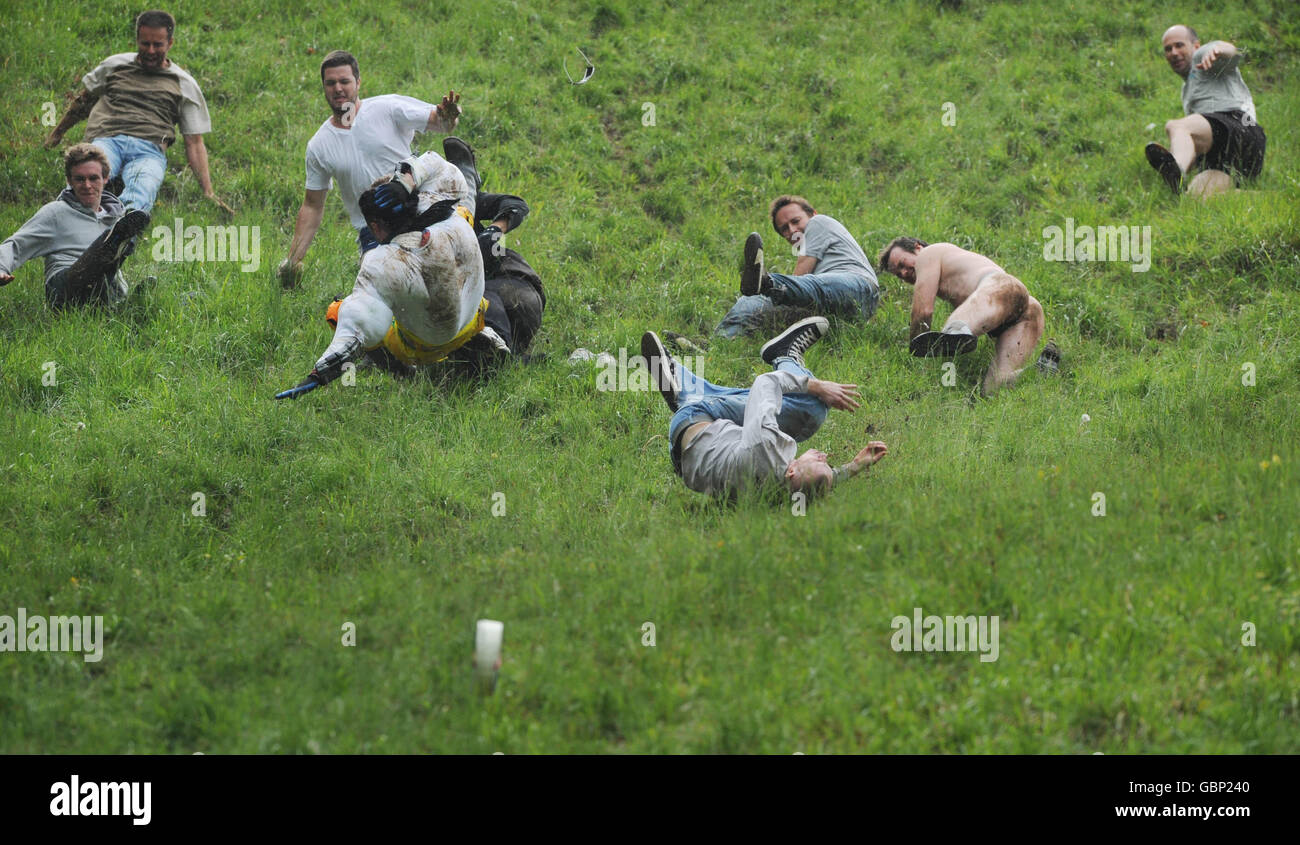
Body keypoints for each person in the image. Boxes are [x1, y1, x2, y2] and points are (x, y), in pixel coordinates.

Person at [275, 149, 504, 398]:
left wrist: (317, 375)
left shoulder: (384, 264)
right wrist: (404, 181)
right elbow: (435, 163)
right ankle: (486, 333)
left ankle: (404, 372)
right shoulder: (443, 201)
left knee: (338, 311)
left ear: (375, 225)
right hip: (475, 312)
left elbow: (357, 328)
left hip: (431, 343)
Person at [644, 317, 889, 497]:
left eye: (820, 462)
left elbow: (766, 383)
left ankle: (785, 356)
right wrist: (854, 467)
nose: (826, 457)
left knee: (812, 404)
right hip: (684, 460)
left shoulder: (766, 445)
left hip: (700, 418)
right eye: (828, 464)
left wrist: (817, 386)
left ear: (792, 470)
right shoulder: (777, 496)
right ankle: (682, 382)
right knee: (736, 412)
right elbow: (808, 492)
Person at [277, 50, 462, 285]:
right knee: (383, 292)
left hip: (419, 208)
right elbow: (312, 206)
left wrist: (449, 116)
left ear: (358, 82)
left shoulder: (387, 108)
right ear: (323, 87)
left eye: (344, 81)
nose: (338, 89)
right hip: (374, 231)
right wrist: (293, 260)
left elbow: (441, 122)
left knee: (448, 274)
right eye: (330, 83)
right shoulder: (319, 145)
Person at [42, 10, 227, 215]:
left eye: (158, 45)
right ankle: (71, 216)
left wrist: (208, 191)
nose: (150, 50)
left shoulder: (184, 84)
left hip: (149, 150)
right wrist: (57, 133)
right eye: (144, 43)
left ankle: (123, 226)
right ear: (137, 39)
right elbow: (84, 102)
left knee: (142, 189)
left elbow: (194, 142)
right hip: (107, 139)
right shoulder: (115, 65)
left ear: (170, 43)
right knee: (86, 178)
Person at [877, 238, 1045, 395]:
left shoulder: (929, 254)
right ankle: (1042, 369)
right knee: (995, 386)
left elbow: (923, 310)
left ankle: (951, 355)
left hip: (1000, 286)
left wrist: (915, 350)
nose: (904, 273)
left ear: (917, 248)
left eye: (902, 264)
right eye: (899, 274)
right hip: (1029, 309)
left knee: (955, 328)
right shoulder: (954, 270)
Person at [0, 144, 150, 310]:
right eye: (79, 179)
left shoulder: (116, 218)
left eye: (93, 178)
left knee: (111, 282)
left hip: (104, 288)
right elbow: (16, 245)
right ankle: (108, 248)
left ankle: (129, 305)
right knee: (94, 264)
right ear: (69, 181)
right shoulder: (56, 212)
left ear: (106, 178)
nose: (87, 185)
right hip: (65, 286)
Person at [440, 138, 545, 371]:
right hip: (456, 312)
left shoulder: (461, 203)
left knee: (479, 292)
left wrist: (495, 228)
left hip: (514, 289)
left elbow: (516, 204)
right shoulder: (413, 230)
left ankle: (501, 349)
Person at [715, 195, 880, 338]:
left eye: (795, 221)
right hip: (840, 313)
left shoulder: (819, 222)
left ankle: (767, 283)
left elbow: (802, 276)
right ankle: (720, 342)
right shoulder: (815, 265)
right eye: (784, 229)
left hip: (858, 286)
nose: (792, 230)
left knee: (791, 288)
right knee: (751, 300)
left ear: (812, 214)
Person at [1145, 25, 1266, 197]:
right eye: (1168, 49)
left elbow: (1231, 51)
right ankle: (1276, 198)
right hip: (1224, 156)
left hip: (1241, 127)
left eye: (1179, 45)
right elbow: (1196, 143)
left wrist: (1218, 50)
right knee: (1197, 199)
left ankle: (1176, 171)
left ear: (1195, 46)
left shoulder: (1203, 56)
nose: (1173, 52)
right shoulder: (1186, 90)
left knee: (1176, 126)